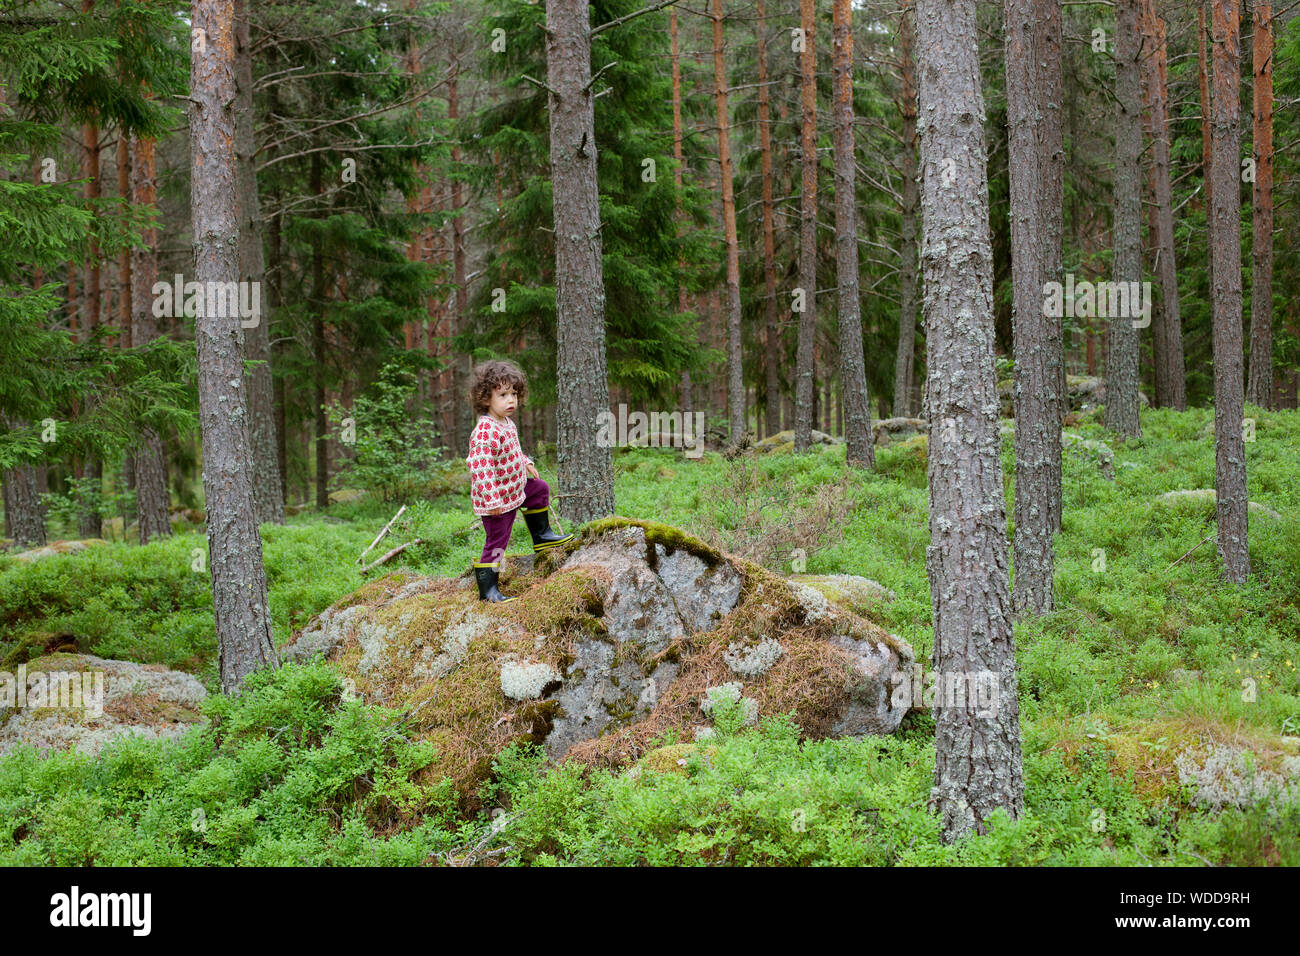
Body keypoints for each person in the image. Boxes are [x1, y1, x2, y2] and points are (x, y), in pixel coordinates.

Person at [466, 360, 572, 602]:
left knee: (540, 489)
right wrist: (492, 500)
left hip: (515, 487)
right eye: (503, 395)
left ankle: (542, 536)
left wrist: (525, 462)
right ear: (485, 398)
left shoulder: (506, 423)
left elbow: (512, 450)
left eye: (513, 393)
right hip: (497, 502)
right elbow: (480, 467)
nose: (511, 400)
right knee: (497, 542)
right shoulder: (484, 431)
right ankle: (488, 590)